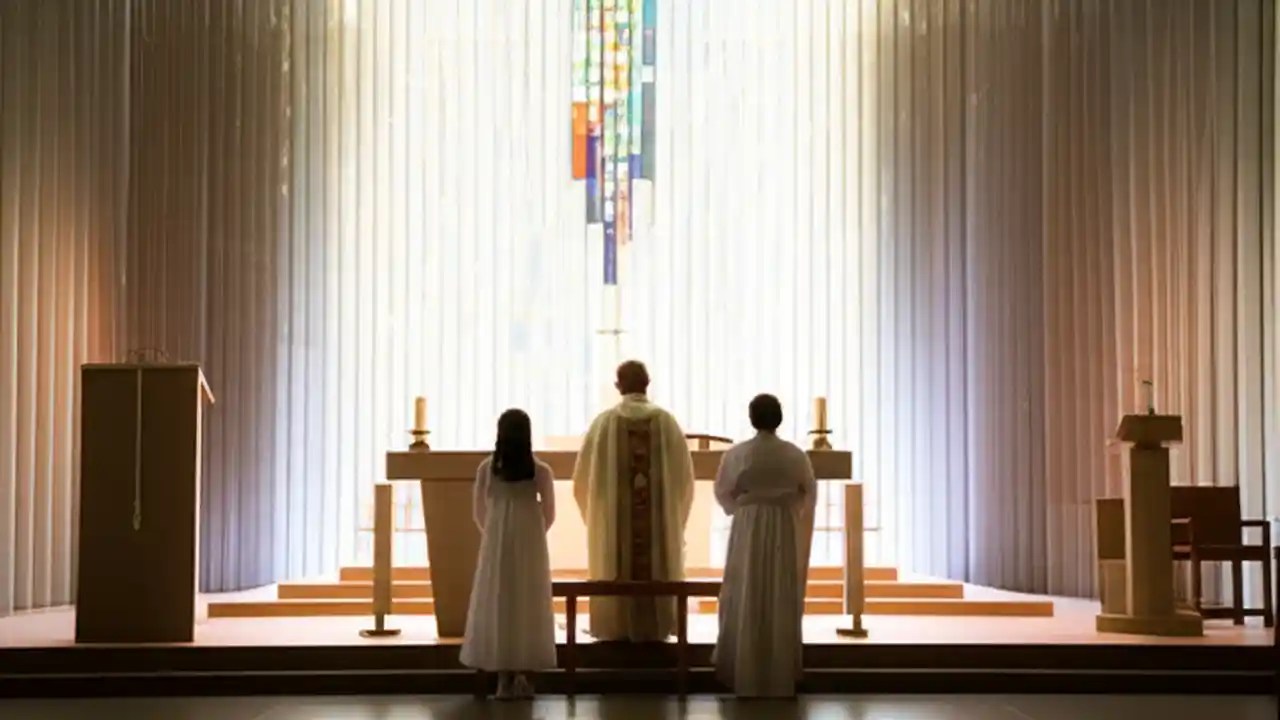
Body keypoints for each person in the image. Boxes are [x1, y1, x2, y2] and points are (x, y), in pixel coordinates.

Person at [572, 360, 696, 641]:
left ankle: (615, 626)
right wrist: (672, 520)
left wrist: (600, 521)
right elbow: (684, 481)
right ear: (648, 383)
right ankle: (655, 625)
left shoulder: (604, 423)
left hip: (616, 531)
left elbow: (582, 483)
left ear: (618, 387)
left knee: (617, 562)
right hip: (656, 529)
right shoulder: (666, 422)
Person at [712, 394, 816, 698]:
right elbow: (808, 490)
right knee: (778, 591)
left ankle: (745, 670)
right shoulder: (794, 454)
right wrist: (790, 507)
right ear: (779, 418)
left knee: (747, 589)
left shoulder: (738, 454)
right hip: (782, 525)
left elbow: (722, 491)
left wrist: (740, 506)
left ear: (752, 418)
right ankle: (778, 673)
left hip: (749, 524)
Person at [459, 409, 557, 700]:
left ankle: (503, 677)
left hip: (497, 541)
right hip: (530, 542)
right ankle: (525, 677)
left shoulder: (486, 469)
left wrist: (492, 533)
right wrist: (534, 535)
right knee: (528, 601)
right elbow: (549, 514)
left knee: (499, 600)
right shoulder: (541, 471)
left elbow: (478, 511)